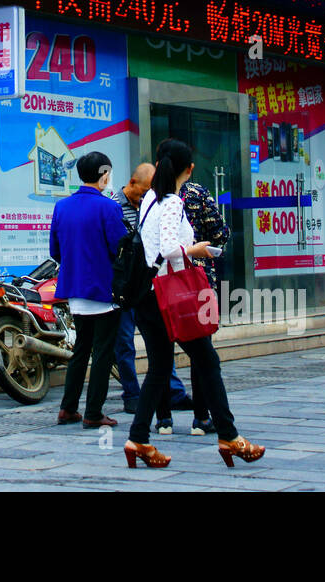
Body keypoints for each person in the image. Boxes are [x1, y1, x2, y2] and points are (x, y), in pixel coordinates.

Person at [124, 139, 265, 469]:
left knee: (160, 366)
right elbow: (172, 248)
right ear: (189, 170)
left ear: (158, 165)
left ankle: (139, 439)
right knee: (207, 361)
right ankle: (229, 437)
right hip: (172, 297)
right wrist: (197, 251)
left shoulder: (148, 201)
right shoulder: (172, 202)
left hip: (148, 295)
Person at [112, 163, 195, 422]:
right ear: (132, 183)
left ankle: (173, 393)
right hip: (130, 283)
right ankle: (133, 395)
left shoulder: (151, 202)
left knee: (161, 342)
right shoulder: (113, 207)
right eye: (144, 190)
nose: (147, 194)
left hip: (151, 283)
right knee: (125, 341)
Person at [50, 151, 126, 429]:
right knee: (103, 352)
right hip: (103, 289)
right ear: (104, 173)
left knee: (81, 349)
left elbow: (55, 251)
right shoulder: (109, 208)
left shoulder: (62, 207)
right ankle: (94, 412)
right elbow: (120, 249)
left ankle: (68, 408)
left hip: (75, 289)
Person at [177, 175, 231, 436]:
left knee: (161, 351)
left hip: (163, 284)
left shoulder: (150, 195)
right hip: (198, 280)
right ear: (187, 168)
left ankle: (162, 420)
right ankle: (202, 417)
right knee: (203, 348)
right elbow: (221, 233)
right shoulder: (197, 193)